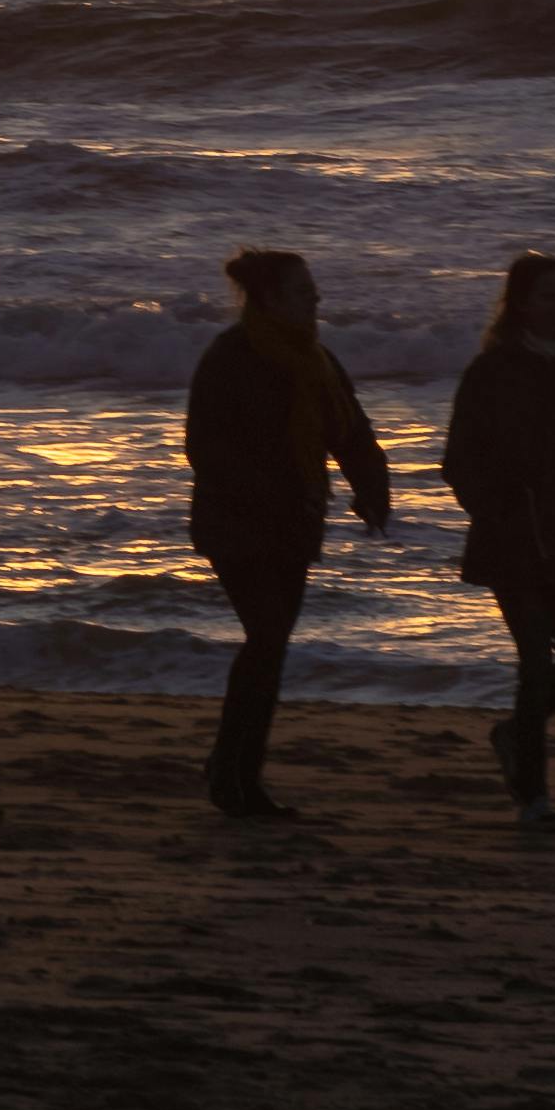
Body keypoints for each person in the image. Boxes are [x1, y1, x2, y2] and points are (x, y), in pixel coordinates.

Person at [181, 245, 392, 824]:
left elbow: (351, 432)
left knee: (270, 646)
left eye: (313, 290)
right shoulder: (229, 356)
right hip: (235, 525)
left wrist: (373, 489)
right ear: (270, 299)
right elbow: (204, 447)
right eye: (303, 291)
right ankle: (235, 777)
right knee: (268, 638)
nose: (315, 299)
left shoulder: (317, 359)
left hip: (296, 524)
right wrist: (261, 493)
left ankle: (232, 770)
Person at [443, 250, 555, 837]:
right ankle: (533, 797)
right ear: (519, 303)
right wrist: (495, 510)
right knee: (536, 663)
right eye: (547, 296)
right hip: (511, 542)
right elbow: (458, 459)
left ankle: (513, 733)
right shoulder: (490, 371)